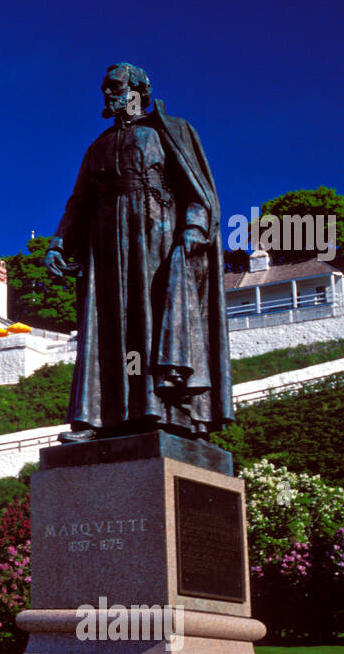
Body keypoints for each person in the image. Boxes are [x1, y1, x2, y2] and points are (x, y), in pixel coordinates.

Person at [46, 63, 233, 443]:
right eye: (104, 88)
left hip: (156, 245)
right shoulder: (97, 147)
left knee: (152, 322)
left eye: (115, 86)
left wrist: (193, 230)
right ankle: (97, 419)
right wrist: (59, 242)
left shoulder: (168, 132)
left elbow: (198, 193)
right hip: (106, 248)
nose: (107, 94)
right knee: (108, 328)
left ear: (138, 90)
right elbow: (78, 203)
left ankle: (165, 412)